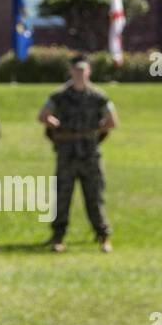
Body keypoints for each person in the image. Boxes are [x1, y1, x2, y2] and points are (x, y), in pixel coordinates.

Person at [38, 54, 118, 252]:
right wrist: (56, 124)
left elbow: (113, 120)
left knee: (94, 195)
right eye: (76, 70)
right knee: (62, 196)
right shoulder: (59, 96)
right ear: (71, 71)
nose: (80, 74)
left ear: (88, 71)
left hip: (90, 153)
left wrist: (96, 130)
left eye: (83, 70)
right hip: (67, 153)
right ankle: (58, 236)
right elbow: (43, 115)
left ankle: (102, 235)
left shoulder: (98, 96)